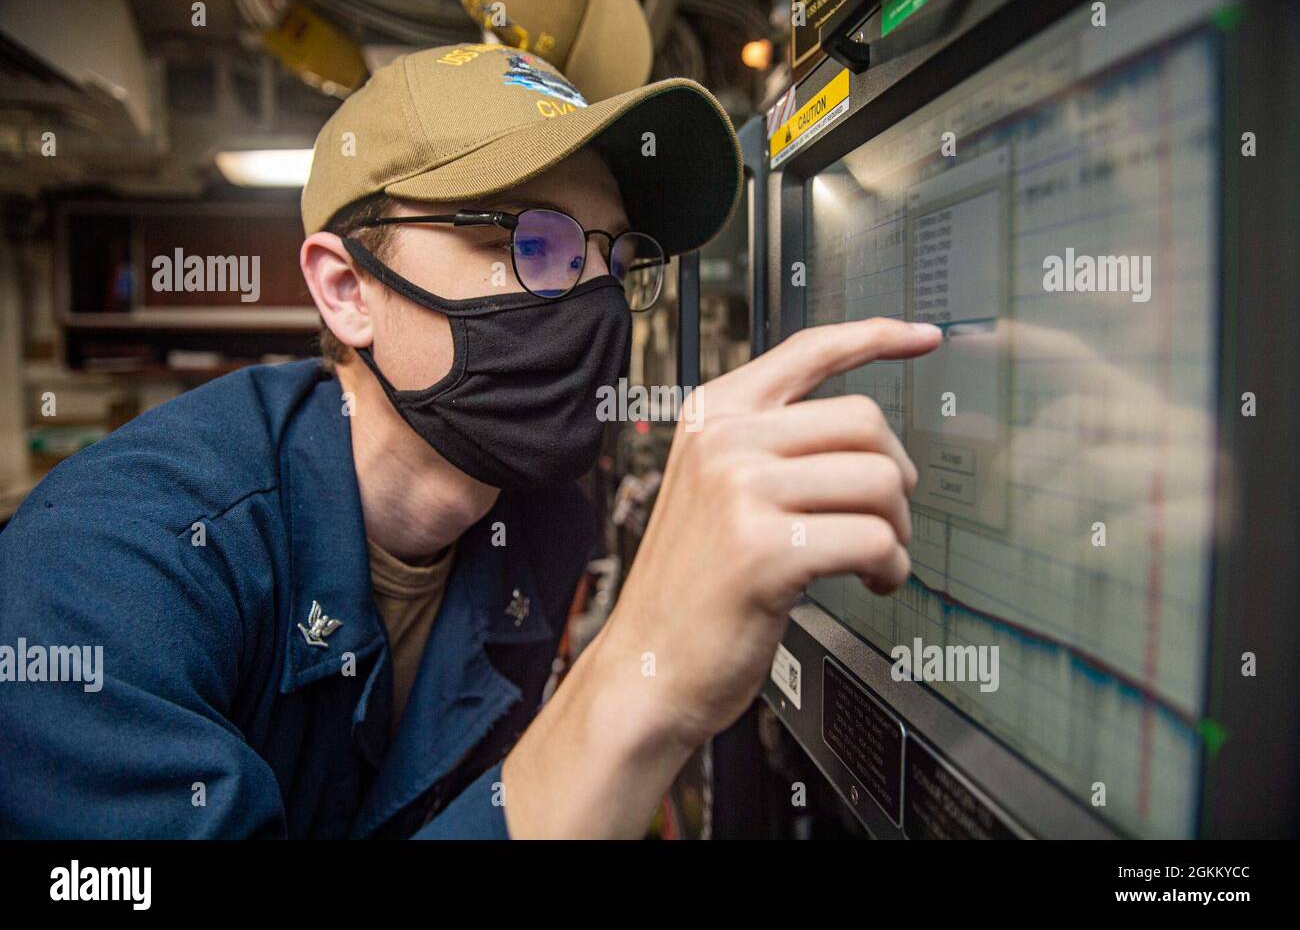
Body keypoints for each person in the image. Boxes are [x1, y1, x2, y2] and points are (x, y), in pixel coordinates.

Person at [0, 43, 941, 838]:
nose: (593, 299)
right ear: (347, 288)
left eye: (615, 258)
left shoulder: (538, 526)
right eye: (530, 245)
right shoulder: (97, 581)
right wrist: (633, 681)